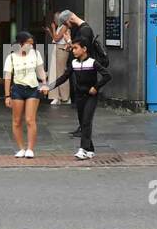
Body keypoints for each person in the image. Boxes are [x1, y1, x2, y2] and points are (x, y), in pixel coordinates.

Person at [48, 37, 111, 160]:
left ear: (84, 49)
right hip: (79, 96)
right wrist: (49, 87)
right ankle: (90, 149)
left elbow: (107, 76)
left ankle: (82, 149)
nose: (73, 51)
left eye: (76, 48)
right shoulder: (74, 63)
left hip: (91, 96)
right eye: (72, 48)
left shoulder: (92, 62)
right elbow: (64, 77)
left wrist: (96, 87)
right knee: (83, 123)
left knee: (86, 121)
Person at [3, 31, 49, 158]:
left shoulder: (36, 54)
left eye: (32, 44)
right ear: (21, 43)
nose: (31, 46)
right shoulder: (11, 57)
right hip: (17, 89)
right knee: (17, 120)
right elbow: (7, 77)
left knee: (30, 119)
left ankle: (30, 148)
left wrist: (44, 83)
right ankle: (21, 148)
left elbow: (40, 70)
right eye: (29, 43)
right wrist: (7, 96)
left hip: (33, 89)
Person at [55, 10, 98, 138]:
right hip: (82, 68)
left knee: (84, 103)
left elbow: (81, 50)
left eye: (67, 24)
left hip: (86, 71)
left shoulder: (84, 30)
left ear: (70, 19)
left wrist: (69, 42)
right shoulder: (83, 29)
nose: (68, 27)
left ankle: (84, 133)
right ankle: (82, 128)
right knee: (81, 103)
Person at [46, 16, 72, 105]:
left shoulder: (64, 26)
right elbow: (55, 39)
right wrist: (51, 31)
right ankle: (57, 96)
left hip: (62, 49)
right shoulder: (60, 27)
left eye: (56, 18)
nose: (55, 21)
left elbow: (57, 39)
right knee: (54, 73)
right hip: (57, 48)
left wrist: (53, 28)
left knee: (61, 73)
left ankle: (65, 97)